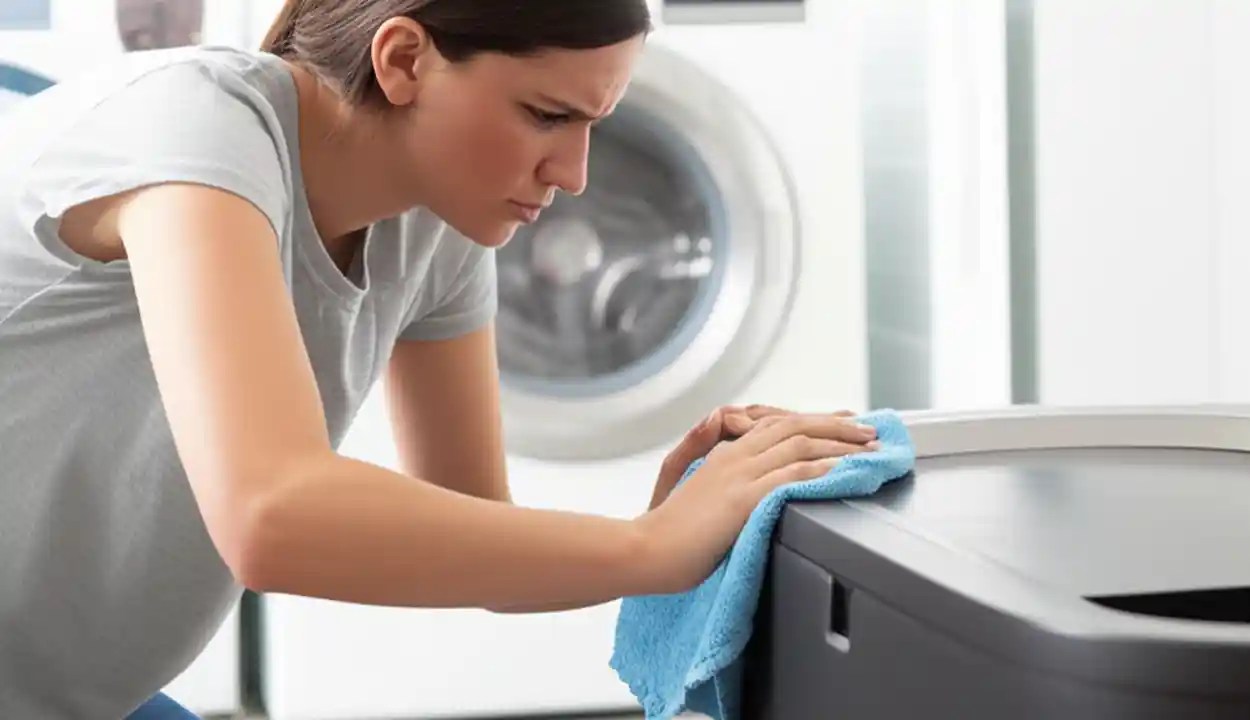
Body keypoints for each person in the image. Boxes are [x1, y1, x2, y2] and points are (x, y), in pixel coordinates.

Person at [0, 1, 879, 717]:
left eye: (594, 125)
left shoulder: (439, 224)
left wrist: (673, 512)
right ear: (404, 59)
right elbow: (272, 515)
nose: (574, 173)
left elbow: (472, 526)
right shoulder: (196, 128)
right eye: (546, 115)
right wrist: (650, 548)